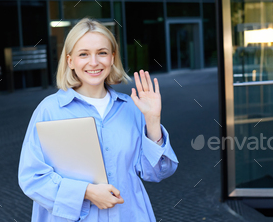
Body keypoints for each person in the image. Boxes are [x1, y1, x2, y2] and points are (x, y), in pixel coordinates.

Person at [18, 17, 179, 222]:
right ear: (70, 61)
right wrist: (86, 192)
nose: (94, 62)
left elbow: (157, 173)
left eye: (102, 53)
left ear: (112, 58)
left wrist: (153, 120)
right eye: (83, 54)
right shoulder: (49, 110)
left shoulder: (131, 108)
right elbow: (32, 178)